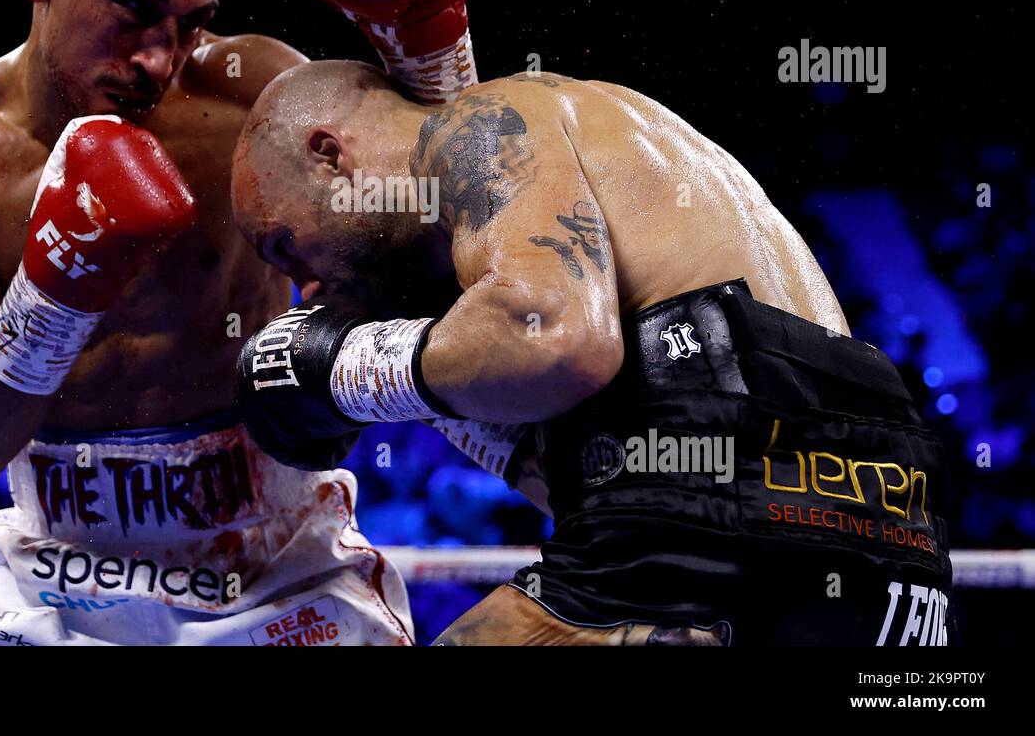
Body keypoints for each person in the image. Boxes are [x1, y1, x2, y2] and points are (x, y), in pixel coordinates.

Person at [0, 0, 422, 645]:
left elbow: (426, 239)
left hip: (277, 569)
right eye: (134, 7)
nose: (161, 59)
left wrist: (429, 54)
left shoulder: (257, 102)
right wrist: (56, 289)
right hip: (59, 580)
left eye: (191, 25)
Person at [230, 58, 955, 645]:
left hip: (707, 526)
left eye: (284, 246)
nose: (306, 286)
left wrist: (348, 371)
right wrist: (447, 403)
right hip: (895, 543)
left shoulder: (473, 125)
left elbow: (555, 340)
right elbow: (592, 476)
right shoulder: (616, 162)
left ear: (329, 155)